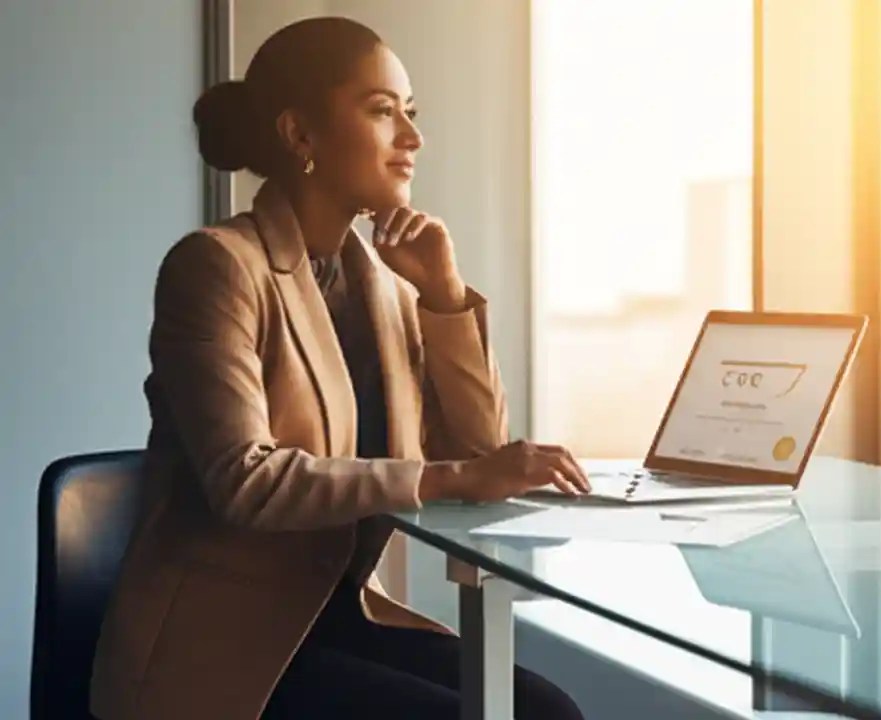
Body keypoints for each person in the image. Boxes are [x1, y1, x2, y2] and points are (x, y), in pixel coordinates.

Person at [89, 16, 591, 720]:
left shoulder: (384, 288)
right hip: (222, 648)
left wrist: (445, 298)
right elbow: (245, 481)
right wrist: (456, 477)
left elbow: (479, 454)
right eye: (383, 111)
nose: (412, 138)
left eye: (411, 113)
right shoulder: (216, 267)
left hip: (337, 617)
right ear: (301, 135)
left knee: (548, 711)